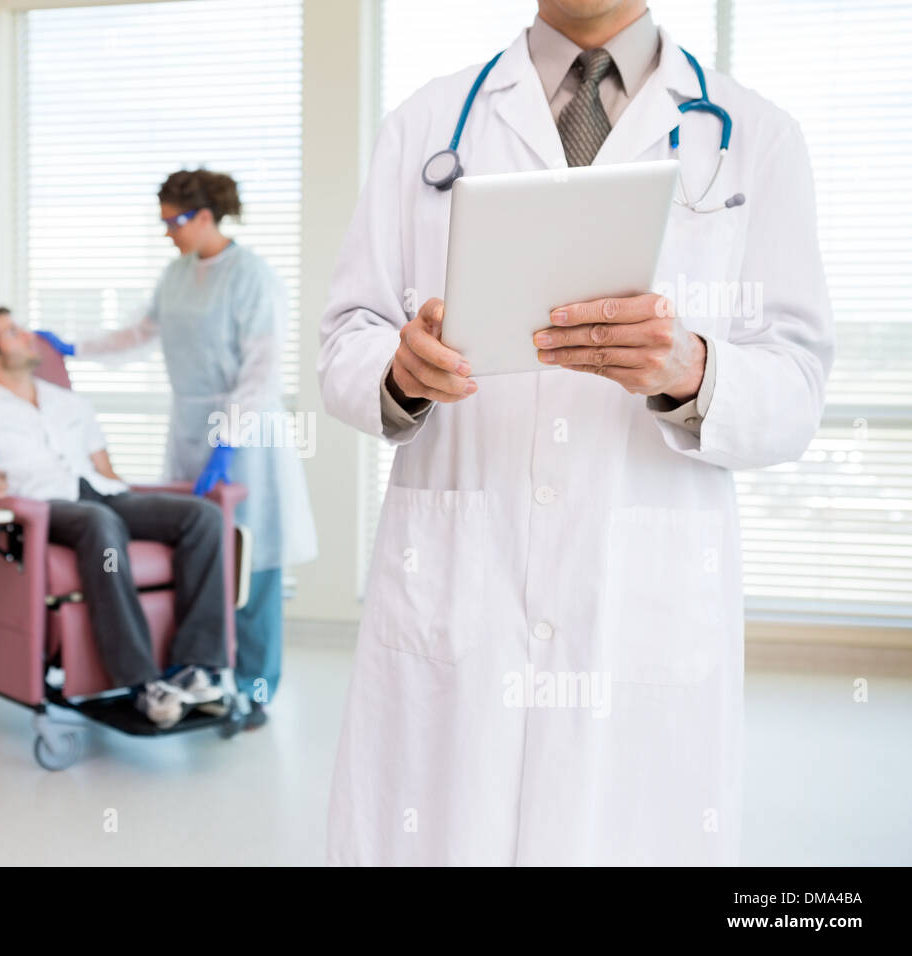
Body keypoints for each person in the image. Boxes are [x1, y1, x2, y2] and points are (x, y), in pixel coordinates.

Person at [318, 1, 833, 865]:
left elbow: (798, 386)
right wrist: (400, 372)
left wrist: (691, 369)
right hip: (460, 593)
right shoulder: (427, 122)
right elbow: (346, 341)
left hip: (639, 599)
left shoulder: (757, 137)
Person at [38, 169, 318, 730]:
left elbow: (261, 373)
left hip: (247, 431)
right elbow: (139, 335)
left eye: (176, 221)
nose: (168, 233)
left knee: (252, 559)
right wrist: (73, 346)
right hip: (192, 423)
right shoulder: (176, 275)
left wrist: (227, 444)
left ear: (209, 216)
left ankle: (254, 690)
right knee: (201, 549)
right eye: (164, 222)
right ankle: (201, 675)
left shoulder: (252, 277)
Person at [0, 306, 232, 730]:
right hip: (46, 506)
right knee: (99, 522)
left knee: (202, 517)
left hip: (105, 494)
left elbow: (107, 471)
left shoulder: (69, 402)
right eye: (10, 332)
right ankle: (141, 681)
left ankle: (195, 666)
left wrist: (149, 505)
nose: (26, 334)